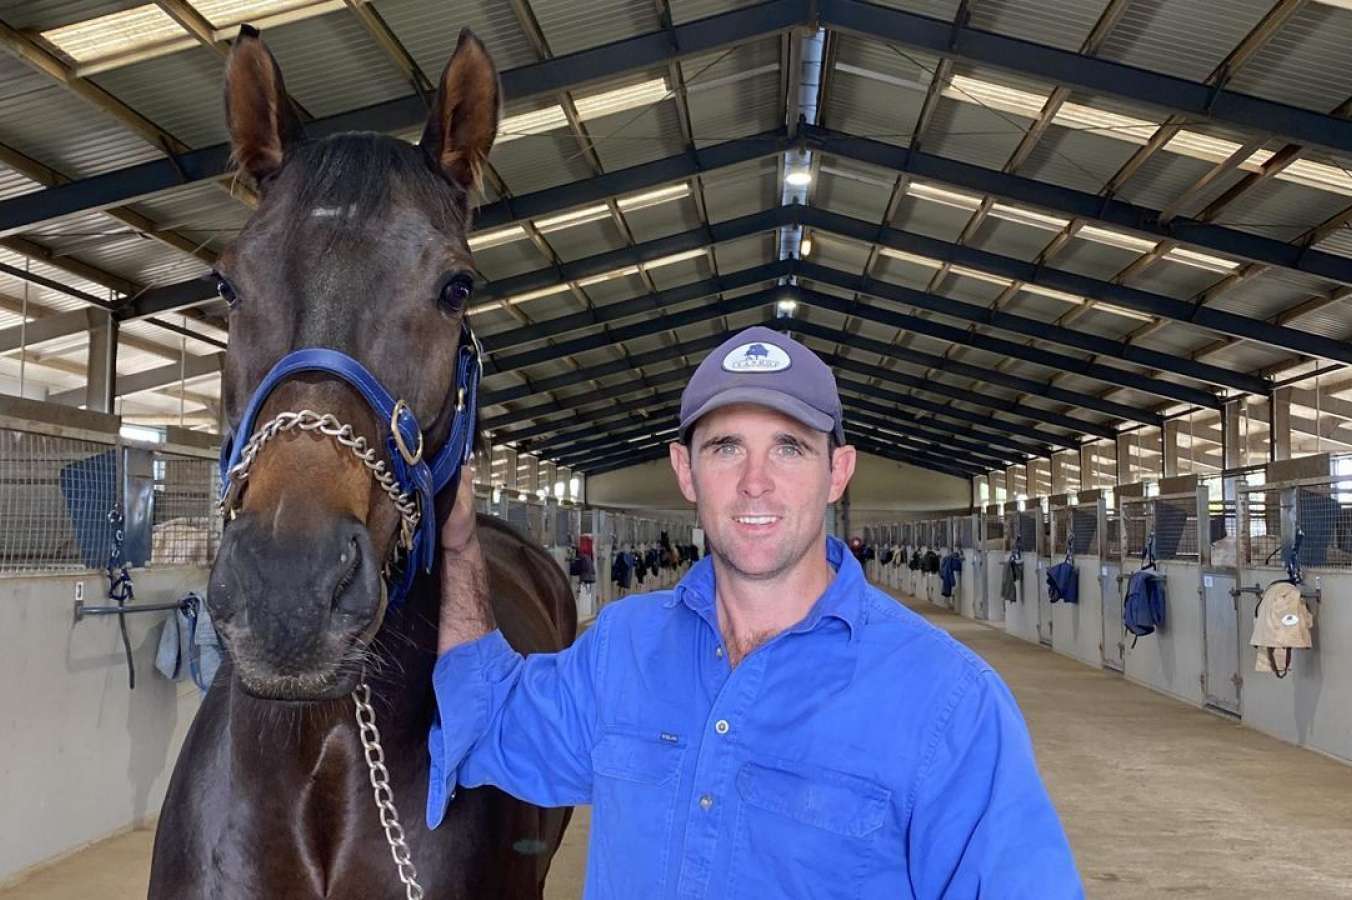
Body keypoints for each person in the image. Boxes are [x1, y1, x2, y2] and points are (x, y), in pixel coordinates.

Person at [428, 325, 1083, 898]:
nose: (755, 481)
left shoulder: (950, 703)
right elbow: (489, 724)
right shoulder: (624, 647)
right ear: (685, 471)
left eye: (790, 447)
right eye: (726, 447)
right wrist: (458, 547)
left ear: (838, 471)